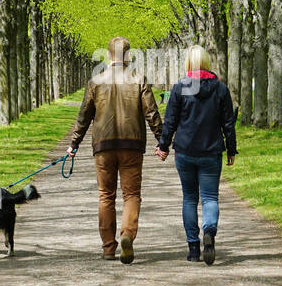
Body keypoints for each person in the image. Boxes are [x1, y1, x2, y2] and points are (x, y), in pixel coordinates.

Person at [68, 36, 163, 264]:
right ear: (128, 55)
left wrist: (74, 144)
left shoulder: (96, 82)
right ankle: (127, 234)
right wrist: (163, 141)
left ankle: (109, 248)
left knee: (105, 196)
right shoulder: (138, 79)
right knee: (131, 195)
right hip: (132, 145)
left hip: (104, 146)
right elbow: (151, 113)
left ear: (108, 55)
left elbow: (83, 116)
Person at [155, 44, 236, 264]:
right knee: (210, 198)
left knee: (190, 198)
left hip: (185, 151)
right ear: (207, 62)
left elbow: (170, 121)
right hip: (211, 152)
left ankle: (193, 248)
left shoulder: (180, 87)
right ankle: (209, 231)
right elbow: (228, 123)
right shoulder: (220, 89)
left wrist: (163, 146)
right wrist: (231, 149)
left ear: (189, 63)